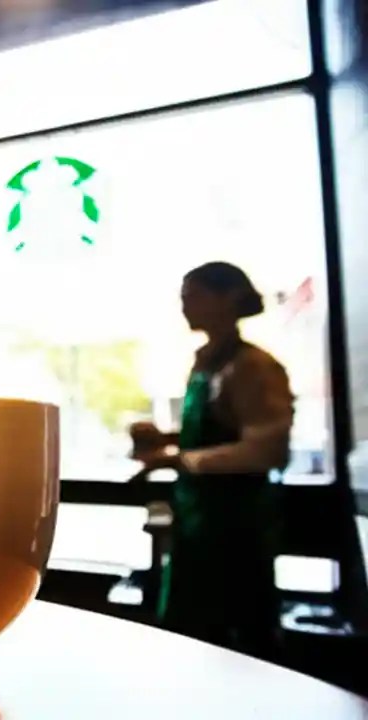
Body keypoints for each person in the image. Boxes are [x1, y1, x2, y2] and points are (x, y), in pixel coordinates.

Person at [130, 261, 293, 656]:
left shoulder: (254, 366)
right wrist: (168, 439)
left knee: (238, 632)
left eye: (194, 296)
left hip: (236, 523)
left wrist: (177, 459)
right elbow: (218, 429)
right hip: (198, 518)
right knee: (194, 630)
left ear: (230, 298)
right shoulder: (207, 361)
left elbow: (265, 450)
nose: (185, 306)